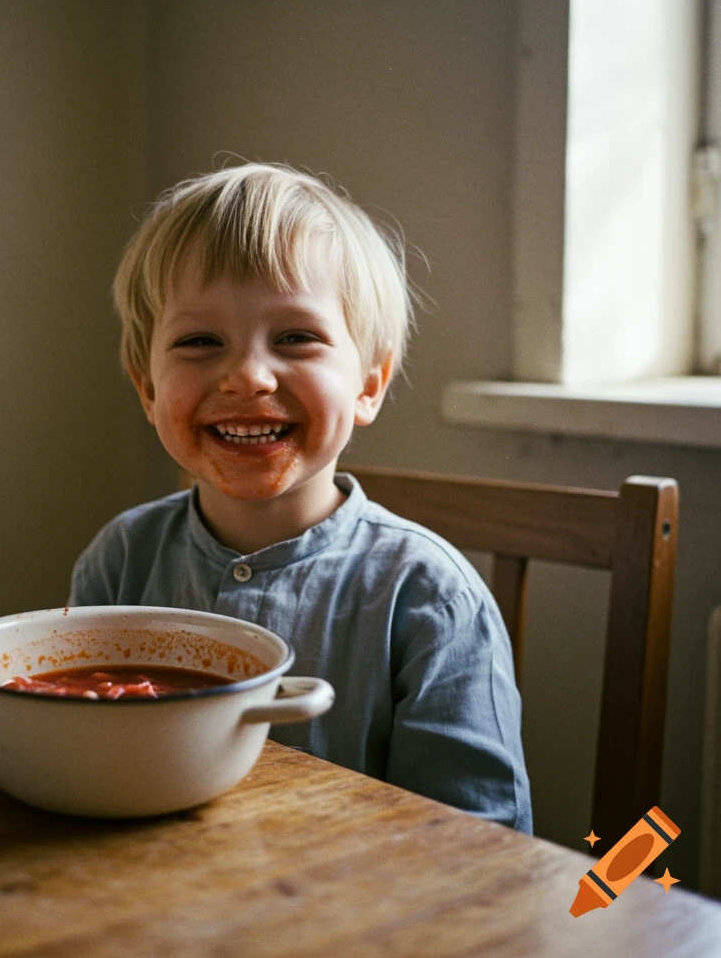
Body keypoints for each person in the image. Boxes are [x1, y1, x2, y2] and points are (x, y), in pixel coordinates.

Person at [70, 161, 532, 833]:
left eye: (295, 338)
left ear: (368, 386)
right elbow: (90, 759)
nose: (248, 377)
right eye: (200, 341)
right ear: (147, 388)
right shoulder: (123, 559)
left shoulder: (429, 597)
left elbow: (480, 845)